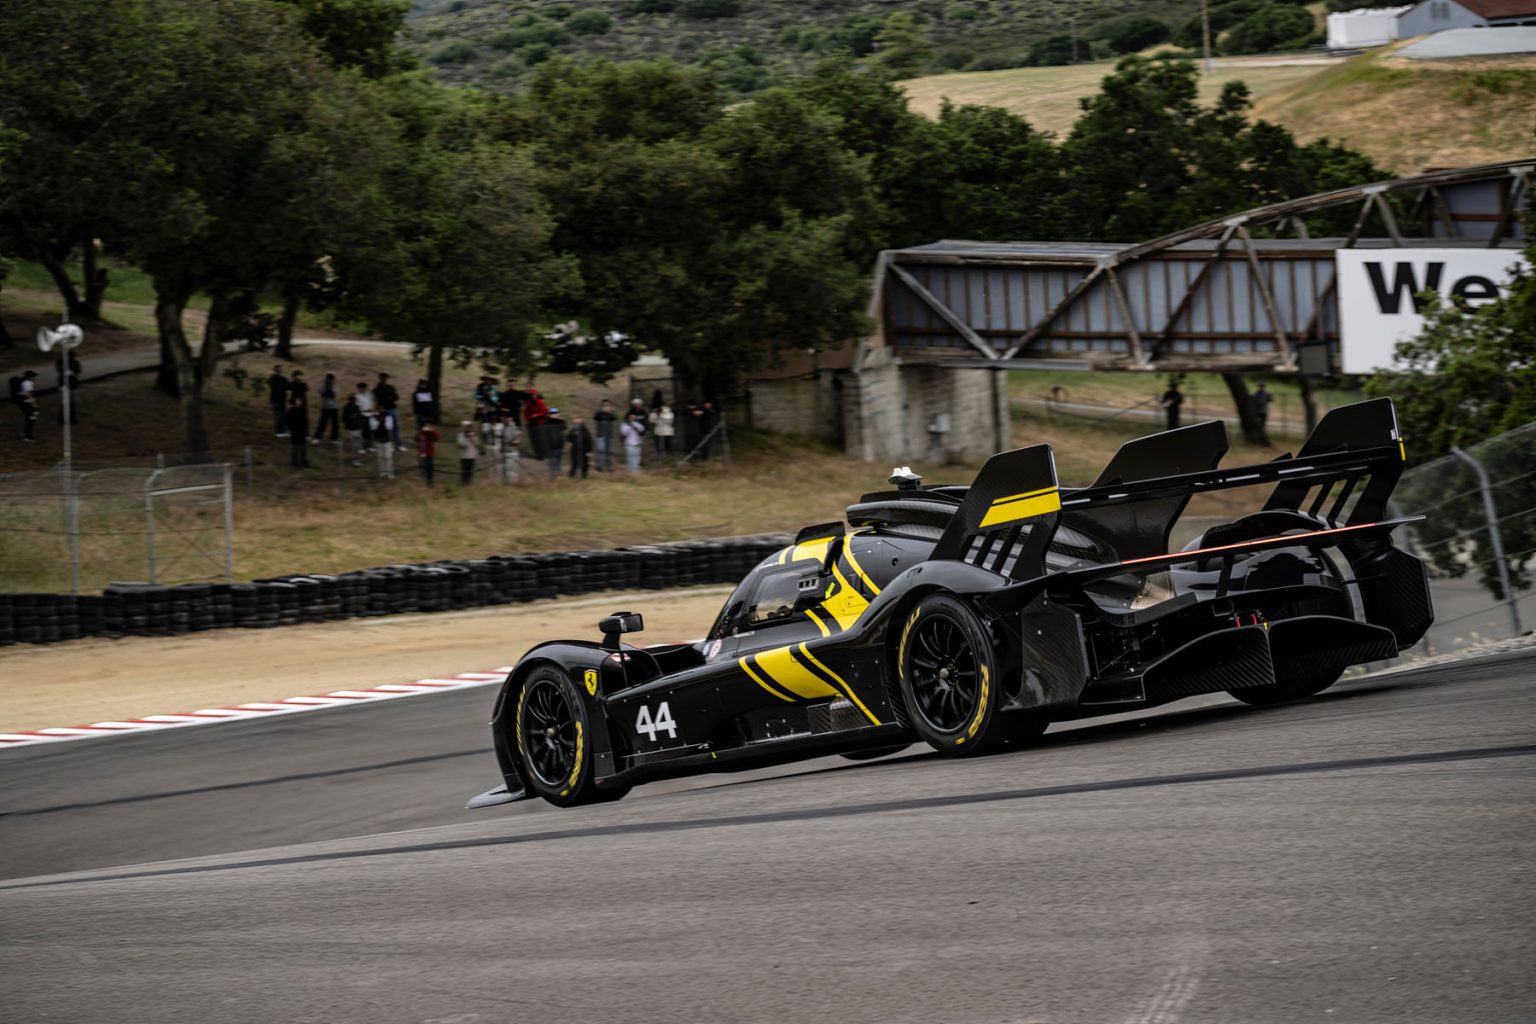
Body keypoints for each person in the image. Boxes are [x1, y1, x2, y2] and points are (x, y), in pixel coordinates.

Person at [374, 372, 403, 452]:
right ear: (380, 379)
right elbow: (377, 400)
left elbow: (396, 397)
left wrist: (389, 398)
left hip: (392, 408)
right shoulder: (377, 389)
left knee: (396, 426)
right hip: (383, 411)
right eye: (383, 378)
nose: (385, 380)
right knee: (387, 428)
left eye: (386, 378)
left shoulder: (390, 387)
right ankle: (389, 445)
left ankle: (398, 444)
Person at [10, 369, 39, 442]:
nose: (34, 378)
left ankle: (26, 432)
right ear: (31, 377)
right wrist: (34, 404)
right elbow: (28, 394)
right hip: (26, 402)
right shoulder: (28, 383)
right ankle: (28, 436)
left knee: (29, 417)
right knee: (32, 418)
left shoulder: (23, 381)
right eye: (33, 376)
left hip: (22, 402)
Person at [284, 395, 310, 468]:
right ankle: (295, 463)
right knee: (295, 448)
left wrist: (306, 432)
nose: (300, 401)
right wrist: (290, 428)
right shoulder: (291, 411)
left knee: (303, 448)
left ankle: (304, 462)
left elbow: (305, 422)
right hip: (295, 431)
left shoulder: (302, 410)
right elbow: (287, 421)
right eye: (298, 400)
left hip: (301, 431)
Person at [312, 373, 339, 443]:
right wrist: (327, 389)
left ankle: (334, 438)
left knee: (335, 424)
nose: (332, 381)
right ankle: (317, 437)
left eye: (332, 380)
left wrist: (328, 391)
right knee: (322, 423)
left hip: (334, 407)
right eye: (330, 380)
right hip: (325, 407)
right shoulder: (323, 385)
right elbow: (322, 393)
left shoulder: (335, 385)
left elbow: (333, 394)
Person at [523, 388, 549, 459]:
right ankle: (537, 453)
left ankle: (542, 454)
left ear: (536, 395)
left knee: (540, 439)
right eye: (531, 395)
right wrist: (527, 419)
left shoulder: (540, 402)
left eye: (534, 395)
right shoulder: (529, 403)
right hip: (531, 424)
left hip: (539, 424)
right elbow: (526, 412)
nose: (532, 396)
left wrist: (537, 415)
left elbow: (545, 412)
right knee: (534, 440)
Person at [592, 399, 616, 472]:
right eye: (604, 405)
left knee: (609, 451)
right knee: (600, 450)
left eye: (607, 405)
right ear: (601, 406)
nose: (606, 407)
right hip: (600, 435)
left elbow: (614, 418)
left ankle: (609, 467)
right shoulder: (599, 413)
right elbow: (595, 417)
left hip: (609, 435)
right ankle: (600, 466)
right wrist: (602, 411)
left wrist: (608, 412)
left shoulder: (611, 414)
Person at [342, 394, 366, 465]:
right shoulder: (346, 408)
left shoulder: (357, 407)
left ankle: (358, 459)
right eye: (353, 400)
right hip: (351, 429)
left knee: (358, 445)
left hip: (358, 428)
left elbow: (360, 416)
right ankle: (354, 460)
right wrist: (350, 417)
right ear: (350, 400)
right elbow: (344, 418)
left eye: (355, 400)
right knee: (354, 445)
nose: (354, 401)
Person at [416, 420, 441, 486]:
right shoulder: (421, 433)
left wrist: (432, 431)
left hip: (430, 453)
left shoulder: (432, 433)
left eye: (429, 426)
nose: (427, 427)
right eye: (426, 425)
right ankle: (424, 482)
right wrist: (422, 431)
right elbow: (416, 438)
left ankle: (430, 482)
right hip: (422, 453)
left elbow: (437, 437)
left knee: (430, 468)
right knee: (424, 468)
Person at [267, 365, 289, 436]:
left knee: (284, 415)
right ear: (275, 371)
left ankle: (283, 430)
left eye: (281, 370)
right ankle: (278, 431)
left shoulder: (283, 379)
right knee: (278, 415)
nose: (280, 371)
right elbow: (275, 385)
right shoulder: (273, 379)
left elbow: (287, 386)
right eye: (279, 370)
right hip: (275, 399)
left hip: (282, 399)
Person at [353, 382, 376, 451]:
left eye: (364, 388)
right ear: (359, 388)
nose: (363, 389)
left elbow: (371, 404)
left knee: (369, 432)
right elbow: (357, 407)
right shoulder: (357, 397)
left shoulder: (369, 396)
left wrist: (372, 411)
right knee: (362, 432)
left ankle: (369, 446)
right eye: (361, 388)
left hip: (370, 415)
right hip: (362, 415)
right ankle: (361, 447)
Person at [543, 407, 565, 477]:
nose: (554, 415)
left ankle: (557, 473)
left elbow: (564, 427)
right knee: (552, 459)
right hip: (550, 444)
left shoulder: (561, 422)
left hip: (559, 443)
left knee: (558, 459)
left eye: (556, 413)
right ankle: (553, 474)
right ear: (549, 414)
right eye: (552, 414)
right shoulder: (546, 422)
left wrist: (560, 420)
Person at [375, 409, 396, 479]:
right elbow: (373, 427)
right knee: (380, 457)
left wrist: (383, 422)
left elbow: (389, 427)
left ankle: (390, 472)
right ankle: (383, 471)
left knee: (388, 457)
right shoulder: (375, 420)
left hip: (387, 441)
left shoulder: (389, 419)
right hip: (379, 441)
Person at [500, 417, 522, 482]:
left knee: (514, 469)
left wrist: (512, 441)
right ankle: (507, 484)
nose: (509, 421)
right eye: (507, 420)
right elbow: (502, 440)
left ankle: (514, 483)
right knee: (506, 469)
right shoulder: (503, 429)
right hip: (505, 452)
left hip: (513, 452)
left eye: (510, 420)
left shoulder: (516, 429)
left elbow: (518, 440)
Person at [457, 420, 478, 485]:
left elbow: (476, 443)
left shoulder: (473, 435)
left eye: (468, 427)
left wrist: (470, 437)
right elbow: (461, 445)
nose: (467, 429)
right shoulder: (460, 435)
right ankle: (464, 482)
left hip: (471, 455)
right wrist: (465, 437)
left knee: (470, 470)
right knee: (464, 469)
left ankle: (469, 481)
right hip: (463, 456)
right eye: (466, 427)